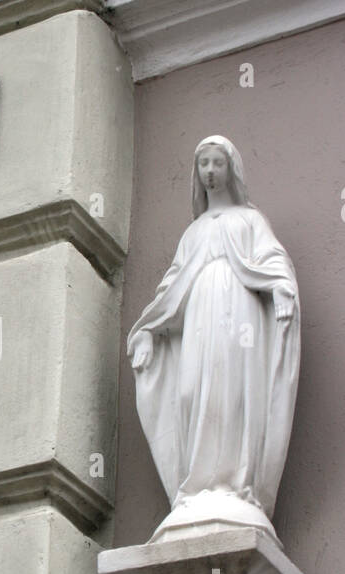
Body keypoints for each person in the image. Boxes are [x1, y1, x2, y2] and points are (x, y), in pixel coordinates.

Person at [127, 135, 300, 542]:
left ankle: (235, 485)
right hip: (199, 319)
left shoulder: (249, 221)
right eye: (203, 163)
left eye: (216, 162)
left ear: (231, 168)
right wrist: (149, 331)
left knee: (233, 393)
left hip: (240, 317)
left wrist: (279, 289)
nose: (209, 171)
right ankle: (198, 486)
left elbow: (272, 260)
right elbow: (171, 289)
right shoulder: (194, 233)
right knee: (190, 392)